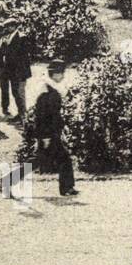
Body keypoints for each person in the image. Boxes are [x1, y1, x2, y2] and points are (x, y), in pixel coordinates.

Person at [32, 59, 77, 196]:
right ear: (55, 74)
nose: (63, 76)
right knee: (64, 159)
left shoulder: (50, 89)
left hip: (51, 133)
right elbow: (42, 116)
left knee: (38, 160)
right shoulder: (47, 92)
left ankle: (8, 181)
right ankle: (67, 188)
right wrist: (45, 136)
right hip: (48, 133)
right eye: (61, 73)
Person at [0, 18, 33, 124]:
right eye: (6, 26)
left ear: (14, 26)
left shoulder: (22, 37)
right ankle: (21, 114)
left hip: (19, 71)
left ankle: (24, 117)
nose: (7, 28)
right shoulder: (7, 38)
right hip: (12, 72)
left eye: (9, 26)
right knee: (15, 93)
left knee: (19, 93)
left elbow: (21, 56)